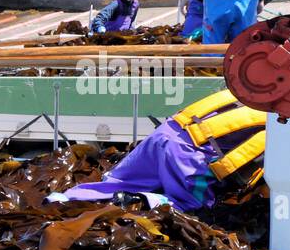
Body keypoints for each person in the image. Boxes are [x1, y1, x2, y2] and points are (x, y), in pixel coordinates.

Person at [55, 89, 265, 211]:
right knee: (193, 206)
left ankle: (64, 199)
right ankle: (141, 201)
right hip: (189, 154)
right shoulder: (283, 119)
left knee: (121, 180)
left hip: (168, 131)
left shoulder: (251, 92)